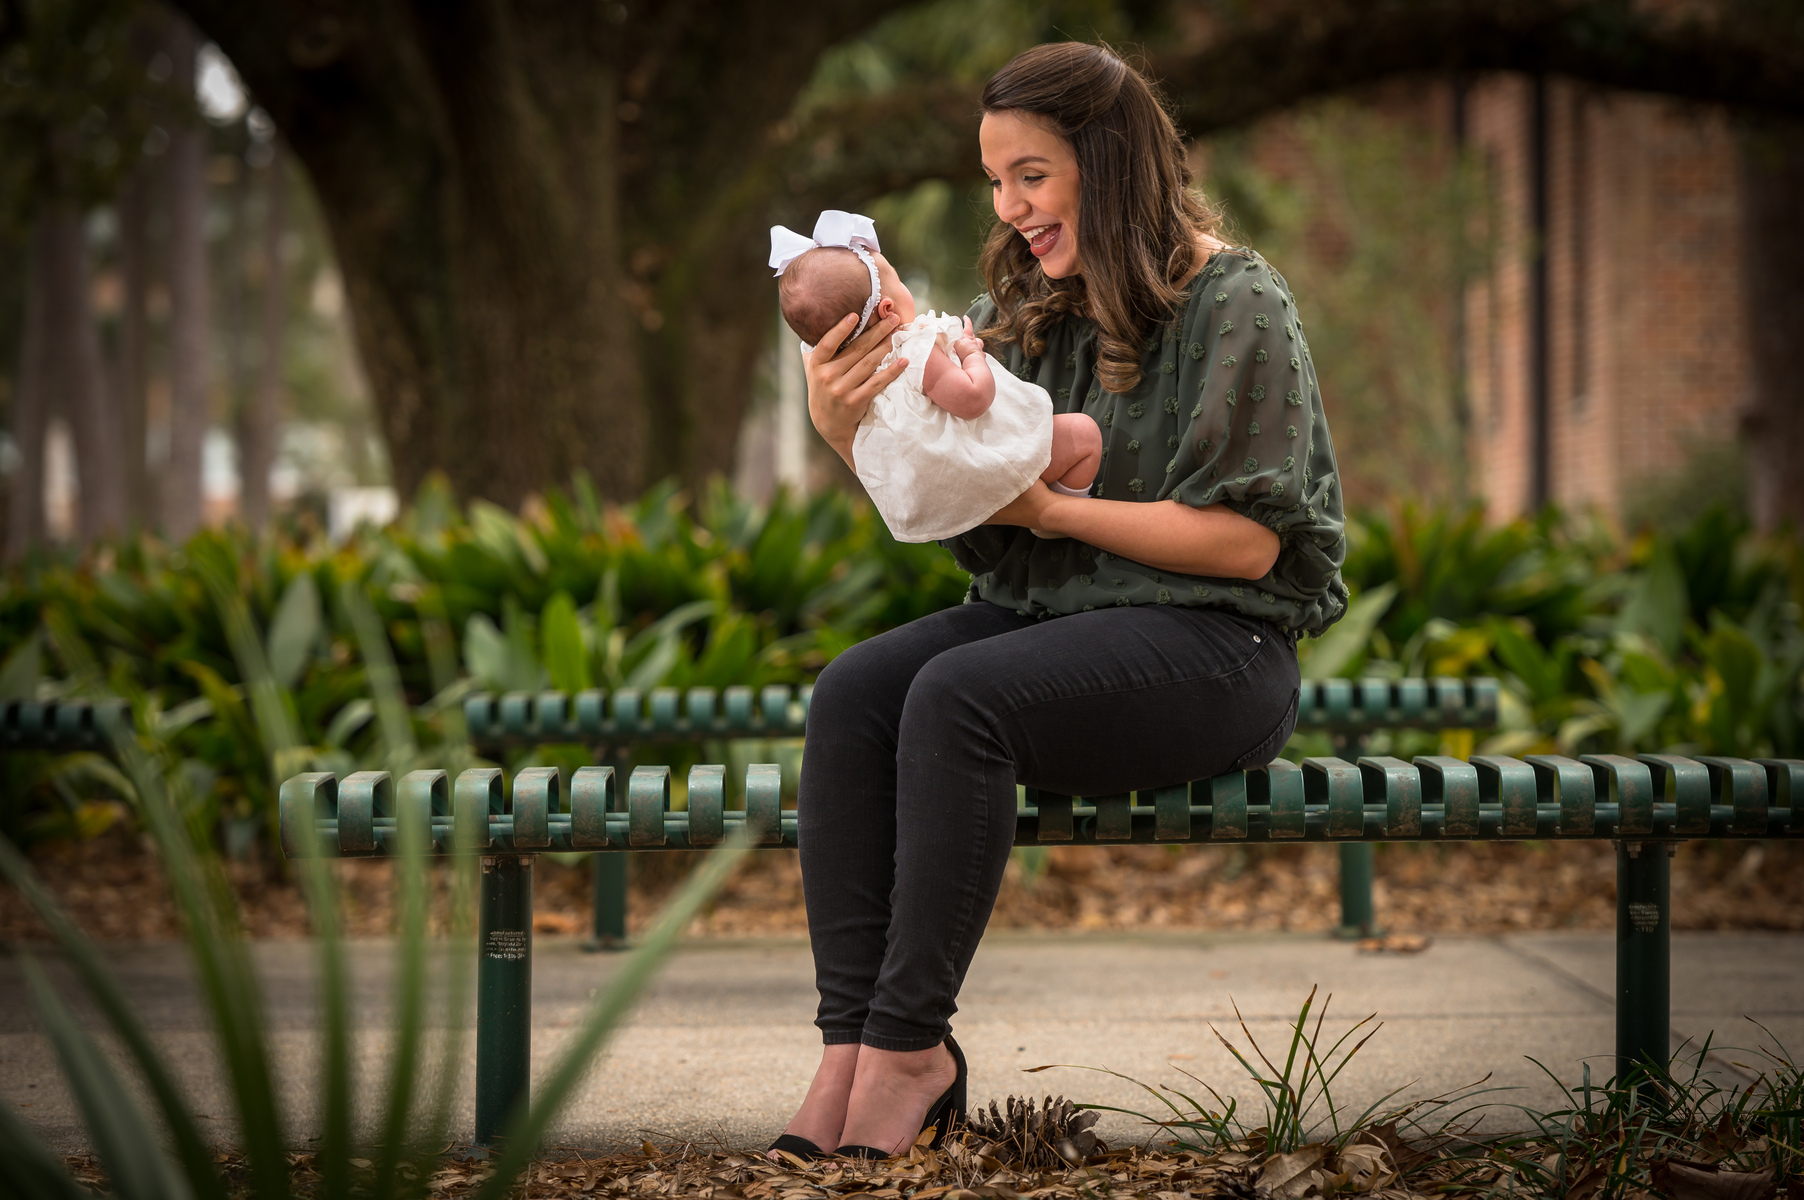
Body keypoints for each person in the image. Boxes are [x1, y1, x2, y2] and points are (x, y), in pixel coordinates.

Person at [772, 41, 1348, 1162]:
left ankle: (908, 1054)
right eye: (995, 180)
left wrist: (1055, 515)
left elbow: (1245, 545)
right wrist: (857, 432)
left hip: (1217, 652)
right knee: (852, 694)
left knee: (955, 698)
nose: (1009, 206)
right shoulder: (1027, 308)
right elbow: (974, 511)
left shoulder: (1238, 302)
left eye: (1029, 174)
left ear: (1109, 158)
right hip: (1052, 624)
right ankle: (847, 1047)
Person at [771, 211, 1102, 543]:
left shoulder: (858, 384)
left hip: (931, 496)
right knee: (1083, 436)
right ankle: (1060, 519)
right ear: (888, 309)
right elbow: (973, 400)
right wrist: (972, 354)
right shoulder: (913, 352)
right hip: (977, 468)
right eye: (899, 280)